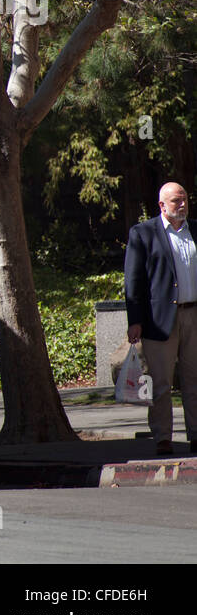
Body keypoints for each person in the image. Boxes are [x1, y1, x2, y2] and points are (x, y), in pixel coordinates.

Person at [125, 182, 197, 456]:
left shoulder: (194, 231)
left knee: (194, 378)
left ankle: (196, 433)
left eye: (185, 200)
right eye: (176, 201)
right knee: (161, 382)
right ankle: (163, 437)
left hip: (194, 314)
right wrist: (135, 319)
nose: (182, 205)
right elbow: (133, 280)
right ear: (161, 205)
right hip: (159, 319)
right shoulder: (143, 234)